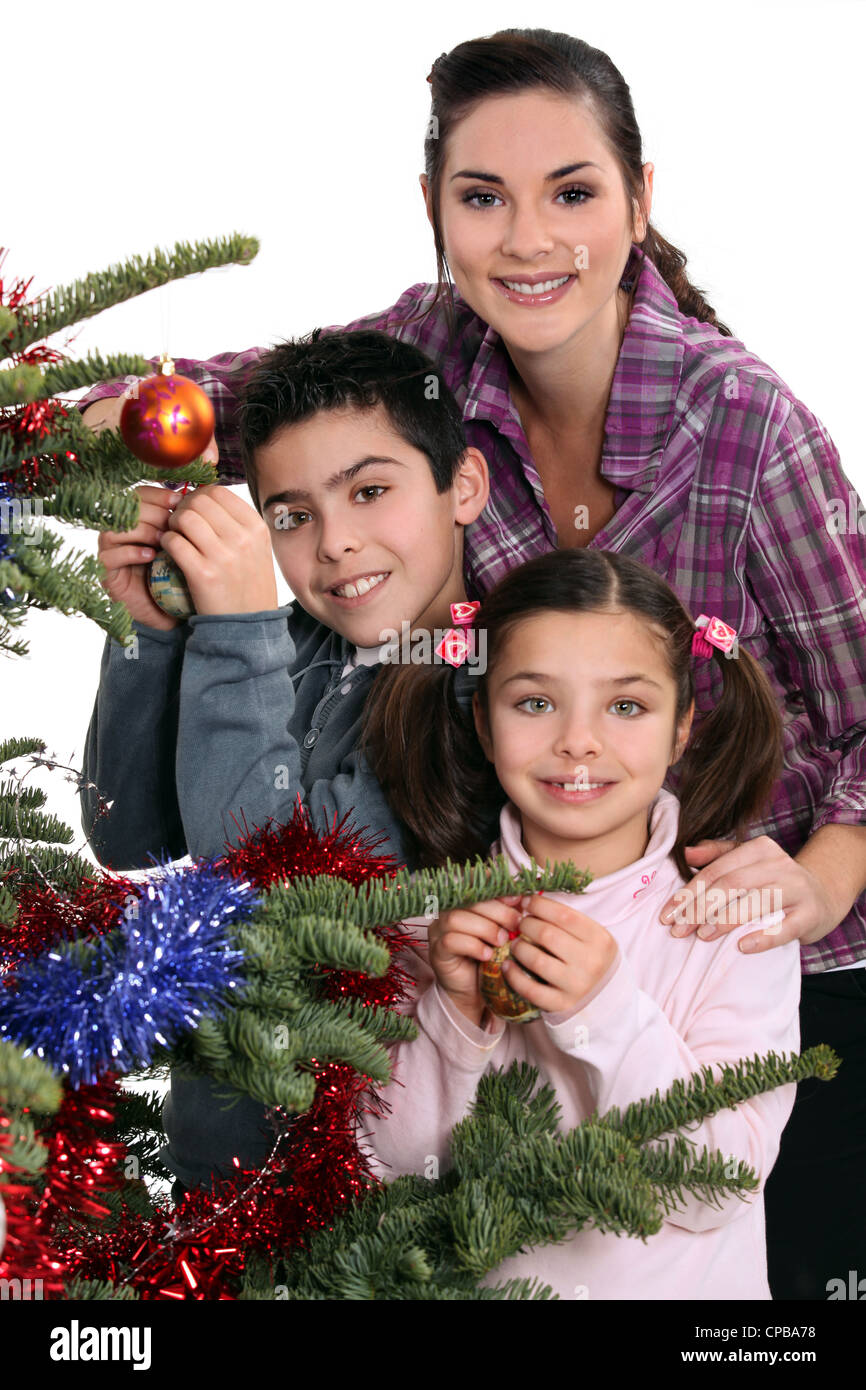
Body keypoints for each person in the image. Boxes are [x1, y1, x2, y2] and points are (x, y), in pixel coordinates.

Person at [79, 28, 866, 1296]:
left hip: (739, 946)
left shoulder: (748, 430)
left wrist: (822, 879)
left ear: (639, 199)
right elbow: (262, 402)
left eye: (572, 191)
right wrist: (50, 412)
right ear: (434, 215)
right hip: (506, 954)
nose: (525, 239)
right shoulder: (435, 352)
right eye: (479, 198)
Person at [80, 329, 491, 1195]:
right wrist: (151, 641)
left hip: (370, 1204)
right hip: (220, 1175)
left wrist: (233, 632)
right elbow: (128, 838)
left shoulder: (487, 692)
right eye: (293, 514)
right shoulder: (290, 645)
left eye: (371, 491)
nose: (335, 542)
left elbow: (272, 890)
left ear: (464, 485)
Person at [359, 546, 801, 1300]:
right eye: (535, 703)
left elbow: (718, 1186)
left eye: (626, 706)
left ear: (682, 727)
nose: (578, 741)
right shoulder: (432, 923)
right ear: (484, 719)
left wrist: (610, 1015)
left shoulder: (729, 925)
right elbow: (394, 1171)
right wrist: (454, 1017)